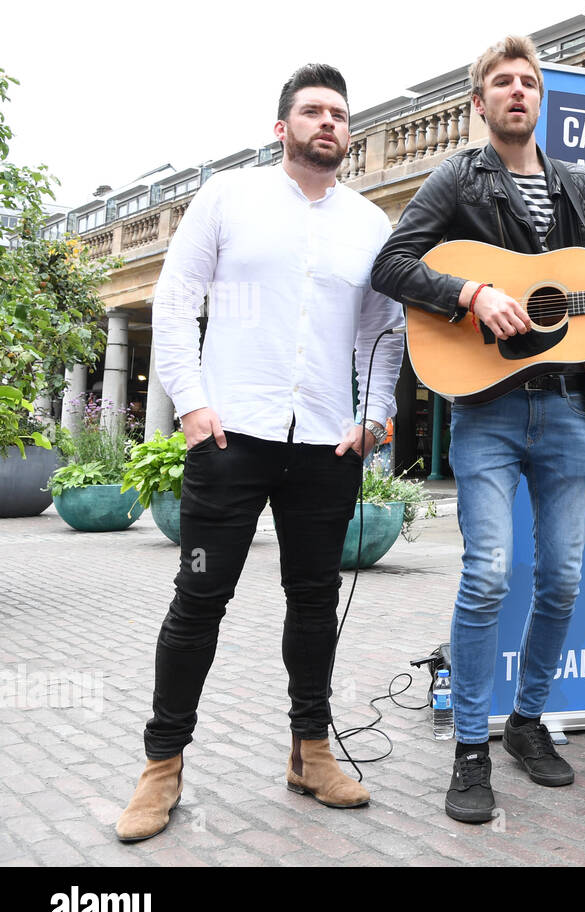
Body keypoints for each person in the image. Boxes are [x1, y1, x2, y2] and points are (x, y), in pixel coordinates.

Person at [370, 35, 585, 824]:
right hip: (484, 409)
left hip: (565, 407)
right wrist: (472, 295)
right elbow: (393, 264)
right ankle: (469, 749)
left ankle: (526, 724)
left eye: (529, 81)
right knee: (487, 575)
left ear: (540, 98)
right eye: (503, 82)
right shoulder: (459, 175)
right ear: (479, 103)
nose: (518, 90)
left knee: (560, 579)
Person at [115, 65, 404, 843]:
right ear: (282, 127)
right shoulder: (228, 198)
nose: (328, 123)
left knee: (314, 602)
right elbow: (176, 299)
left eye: (340, 114)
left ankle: (311, 752)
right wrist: (195, 403)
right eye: (312, 111)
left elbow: (387, 328)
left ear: (350, 132)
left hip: (324, 444)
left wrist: (374, 418)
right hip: (231, 436)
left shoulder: (369, 224)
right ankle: (161, 766)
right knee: (198, 600)